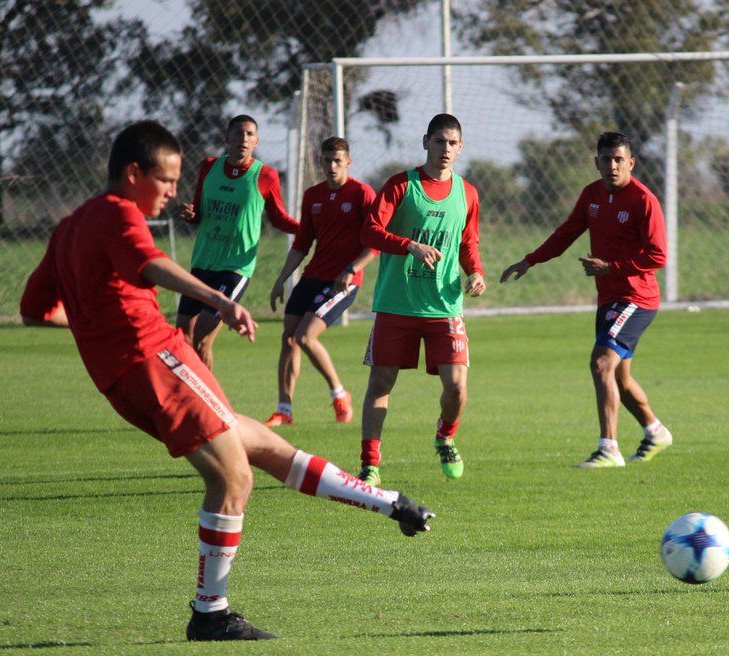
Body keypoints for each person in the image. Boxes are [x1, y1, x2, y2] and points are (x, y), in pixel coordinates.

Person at [19, 120, 434, 642]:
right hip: (156, 360)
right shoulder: (116, 212)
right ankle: (210, 613)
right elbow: (150, 264)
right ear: (132, 174)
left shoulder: (68, 228)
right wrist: (221, 301)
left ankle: (391, 503)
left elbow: (34, 310)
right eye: (166, 180)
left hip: (123, 378)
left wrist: (93, 327)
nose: (174, 192)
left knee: (262, 445)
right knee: (234, 479)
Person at [500, 131, 672, 468]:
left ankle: (609, 448)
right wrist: (530, 259)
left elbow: (658, 255)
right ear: (596, 162)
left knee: (601, 363)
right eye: (606, 159)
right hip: (610, 298)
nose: (612, 165)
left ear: (631, 162)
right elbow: (567, 232)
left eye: (619, 159)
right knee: (619, 378)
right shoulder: (591, 195)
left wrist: (611, 268)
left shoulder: (643, 200)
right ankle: (655, 431)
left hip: (637, 297)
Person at [356, 113, 486, 487]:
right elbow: (370, 230)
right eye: (439, 141)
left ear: (461, 147)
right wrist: (408, 245)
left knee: (457, 386)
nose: (445, 149)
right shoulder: (401, 185)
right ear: (425, 141)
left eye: (452, 143)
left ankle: (445, 435)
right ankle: (370, 465)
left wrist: (475, 272)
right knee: (380, 384)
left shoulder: (468, 193)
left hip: (443, 305)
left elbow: (468, 242)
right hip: (397, 303)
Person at [265, 137, 377, 427]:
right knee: (289, 339)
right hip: (312, 276)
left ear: (348, 162)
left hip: (342, 282)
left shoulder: (361, 194)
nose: (331, 166)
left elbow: (375, 243)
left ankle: (339, 394)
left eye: (337, 160)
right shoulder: (312, 195)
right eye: (326, 160)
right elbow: (302, 244)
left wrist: (353, 268)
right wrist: (281, 279)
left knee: (305, 336)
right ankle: (284, 409)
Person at [176, 114, 300, 369]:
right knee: (192, 342)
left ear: (256, 141)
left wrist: (310, 229)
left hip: (234, 269)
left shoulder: (265, 175)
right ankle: (205, 402)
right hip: (202, 263)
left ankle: (199, 402)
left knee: (196, 337)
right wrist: (191, 215)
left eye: (250, 134)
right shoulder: (209, 166)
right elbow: (199, 212)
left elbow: (278, 219)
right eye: (238, 133)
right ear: (227, 138)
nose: (244, 139)